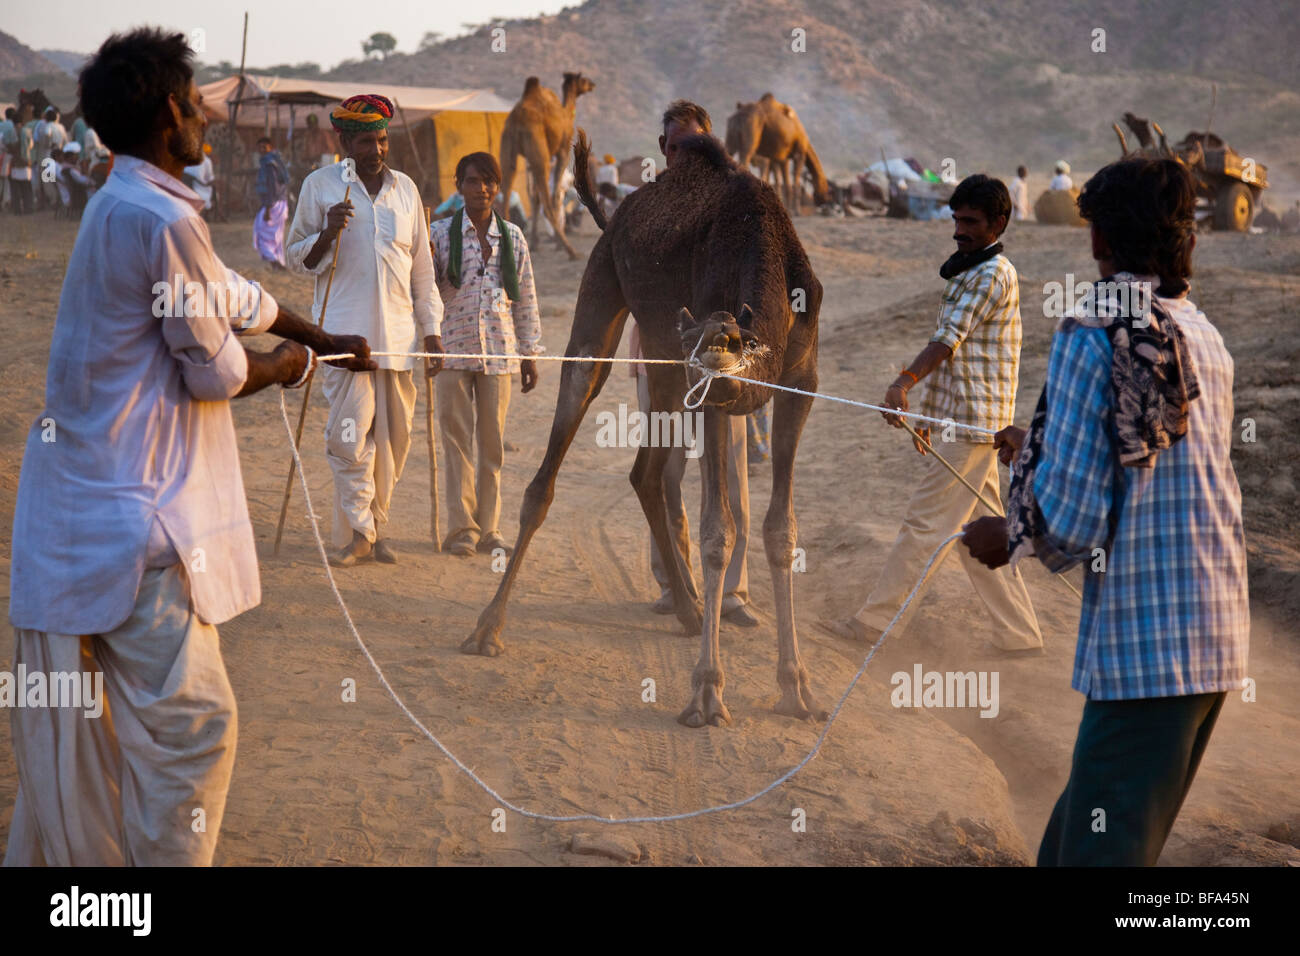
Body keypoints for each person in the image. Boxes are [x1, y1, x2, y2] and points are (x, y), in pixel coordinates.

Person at [3, 27, 374, 867]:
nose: (206, 114)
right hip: (135, 533)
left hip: (81, 520)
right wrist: (285, 369)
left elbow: (232, 293)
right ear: (171, 110)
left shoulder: (122, 204)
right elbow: (215, 368)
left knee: (85, 749)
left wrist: (326, 336)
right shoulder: (160, 217)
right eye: (197, 98)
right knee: (193, 735)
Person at [961, 157, 1249, 866]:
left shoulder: (1093, 329)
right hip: (1215, 633)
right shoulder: (1201, 335)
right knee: (1075, 842)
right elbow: (1153, 456)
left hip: (1149, 645)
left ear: (1098, 241)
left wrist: (1012, 532)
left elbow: (1078, 519)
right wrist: (1044, 447)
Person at [818, 174, 1043, 653]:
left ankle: (874, 625)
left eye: (971, 221)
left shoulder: (991, 274)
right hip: (968, 419)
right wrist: (929, 416)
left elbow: (946, 342)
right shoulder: (970, 269)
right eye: (956, 219)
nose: (959, 230)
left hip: (978, 423)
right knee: (974, 533)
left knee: (923, 527)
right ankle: (1021, 635)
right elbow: (957, 357)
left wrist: (903, 384)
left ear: (999, 223)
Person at [287, 94, 443, 567]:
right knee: (350, 438)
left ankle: (375, 527)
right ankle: (358, 531)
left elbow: (422, 270)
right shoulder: (320, 186)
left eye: (380, 140)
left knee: (393, 444)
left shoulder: (407, 191)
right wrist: (328, 233)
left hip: (398, 340)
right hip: (341, 336)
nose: (375, 149)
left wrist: (432, 330)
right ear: (344, 141)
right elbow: (295, 258)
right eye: (364, 141)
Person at [628, 99, 757, 626]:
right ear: (663, 149)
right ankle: (674, 582)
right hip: (658, 361)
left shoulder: (736, 207)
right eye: (677, 146)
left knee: (730, 480)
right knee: (666, 474)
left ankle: (731, 593)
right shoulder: (643, 208)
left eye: (696, 146)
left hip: (722, 361)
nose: (685, 155)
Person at [429, 152, 541, 557]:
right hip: (451, 350)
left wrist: (529, 353)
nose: (482, 189)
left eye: (489, 181)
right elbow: (423, 291)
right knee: (456, 442)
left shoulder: (512, 237)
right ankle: (462, 528)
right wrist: (426, 339)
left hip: (499, 351)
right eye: (473, 181)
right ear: (459, 185)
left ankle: (490, 528)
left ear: (498, 186)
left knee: (491, 444)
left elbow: (525, 298)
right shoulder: (439, 234)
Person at [253, 136, 289, 269]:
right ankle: (278, 263)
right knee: (276, 236)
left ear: (270, 147)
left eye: (264, 147)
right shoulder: (275, 161)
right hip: (280, 202)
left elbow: (272, 187)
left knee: (263, 232)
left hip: (273, 203)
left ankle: (275, 262)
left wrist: (268, 208)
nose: (262, 150)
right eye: (260, 147)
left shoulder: (269, 164)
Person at [4, 103, 36, 215]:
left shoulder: (9, 132)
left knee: (15, 189)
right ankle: (29, 208)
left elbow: (5, 145)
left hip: (14, 162)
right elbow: (31, 145)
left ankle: (17, 210)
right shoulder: (27, 132)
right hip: (26, 161)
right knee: (27, 187)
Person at [183, 140, 215, 216]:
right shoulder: (207, 161)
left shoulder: (187, 158)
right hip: (199, 188)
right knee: (212, 190)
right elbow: (210, 178)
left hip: (186, 187)